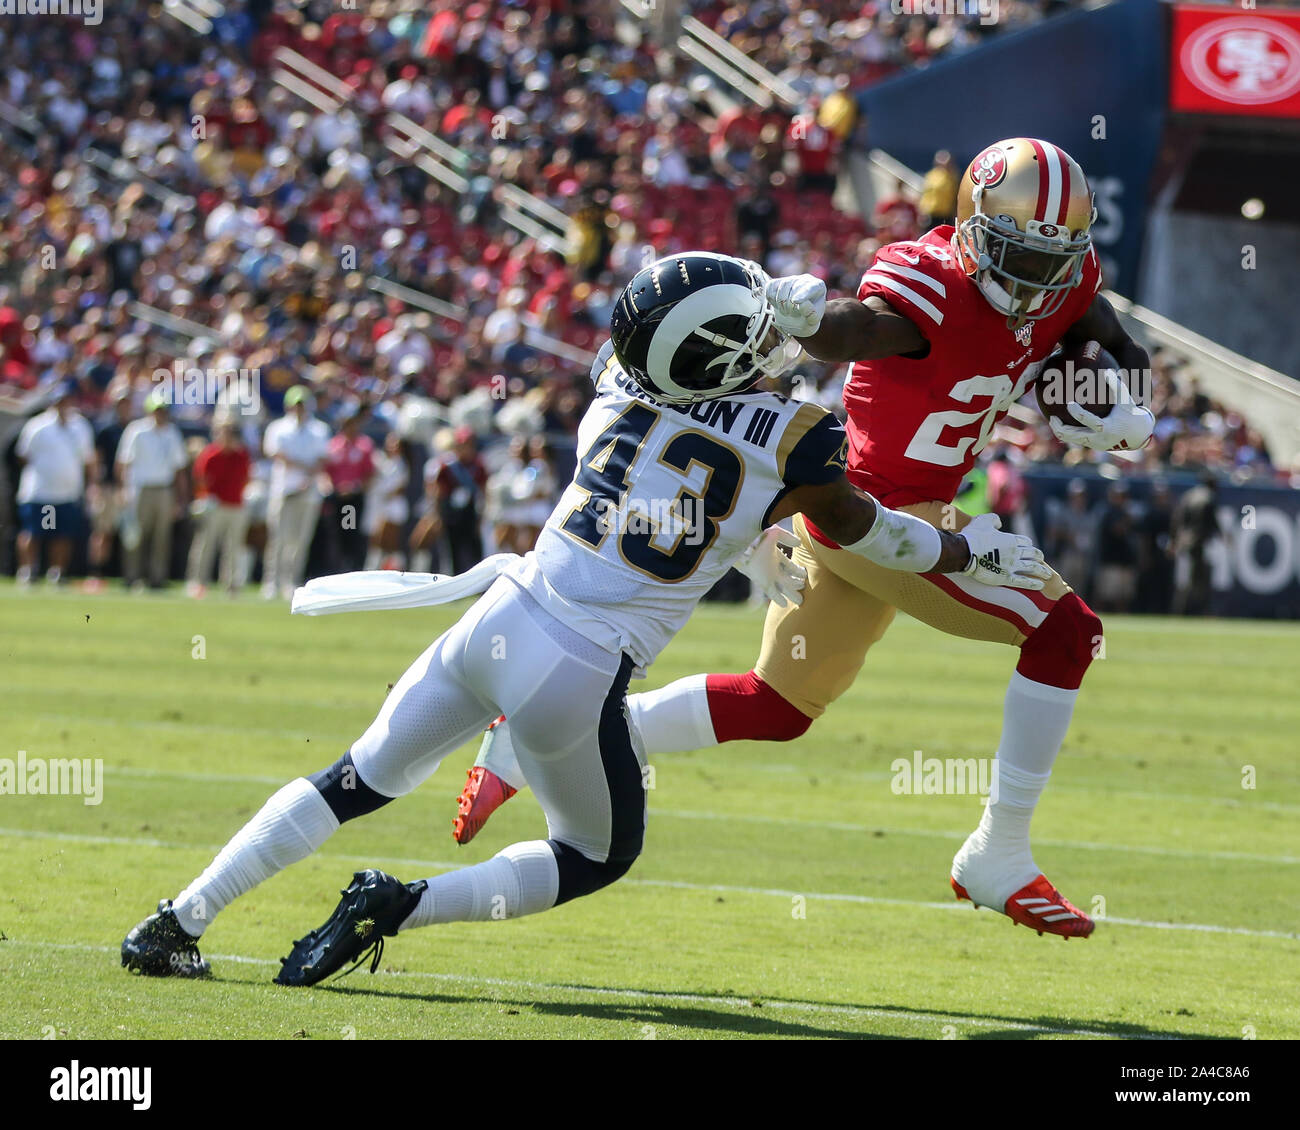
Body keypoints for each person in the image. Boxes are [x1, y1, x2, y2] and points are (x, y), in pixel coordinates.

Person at [121, 252, 1048, 981]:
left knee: (354, 780)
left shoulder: (615, 379)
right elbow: (874, 537)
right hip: (580, 667)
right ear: (725, 356)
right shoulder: (800, 441)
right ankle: (396, 904)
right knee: (597, 855)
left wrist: (757, 534)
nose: (772, 338)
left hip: (500, 612)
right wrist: (972, 550)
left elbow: (682, 388)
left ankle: (176, 920)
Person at [461, 140, 1158, 941]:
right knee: (1067, 633)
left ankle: (536, 736)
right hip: (874, 514)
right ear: (972, 231)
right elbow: (854, 329)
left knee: (777, 705)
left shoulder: (1063, 280)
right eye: (1019, 258)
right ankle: (998, 853)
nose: (1037, 281)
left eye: (1052, 260)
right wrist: (795, 316)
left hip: (873, 513)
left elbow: (1094, 321)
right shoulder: (930, 285)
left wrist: (1119, 392)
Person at [14, 381, 94, 586]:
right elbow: (23, 455)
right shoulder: (37, 425)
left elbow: (87, 459)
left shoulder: (80, 426)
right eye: (60, 400)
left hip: (67, 493)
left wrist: (90, 485)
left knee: (63, 535)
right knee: (33, 532)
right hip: (40, 492)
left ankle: (56, 572)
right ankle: (28, 570)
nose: (64, 404)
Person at [262, 385, 331, 599]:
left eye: (302, 405)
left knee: (300, 541)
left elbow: (321, 460)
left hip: (309, 493)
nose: (299, 409)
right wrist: (306, 470)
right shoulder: (278, 428)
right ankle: (271, 583)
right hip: (283, 491)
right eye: (295, 405)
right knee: (278, 540)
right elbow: (277, 455)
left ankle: (291, 582)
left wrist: (308, 478)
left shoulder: (319, 430)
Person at [116, 389, 187, 590]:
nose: (161, 414)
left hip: (163, 489)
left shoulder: (172, 433)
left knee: (161, 537)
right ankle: (132, 576)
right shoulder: (136, 430)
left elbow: (179, 468)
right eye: (157, 410)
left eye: (164, 410)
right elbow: (124, 463)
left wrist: (180, 498)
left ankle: (157, 578)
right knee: (136, 536)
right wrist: (123, 489)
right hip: (140, 488)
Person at [185, 418, 251, 597]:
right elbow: (200, 480)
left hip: (236, 506)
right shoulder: (210, 454)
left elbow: (245, 478)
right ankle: (197, 582)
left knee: (233, 548)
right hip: (215, 507)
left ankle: (231, 585)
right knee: (205, 545)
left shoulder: (242, 454)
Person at [321, 404, 375, 573]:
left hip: (353, 499)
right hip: (337, 497)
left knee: (350, 530)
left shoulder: (363, 445)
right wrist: (331, 488)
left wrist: (356, 488)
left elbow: (370, 472)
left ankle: (351, 567)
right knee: (335, 533)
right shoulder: (334, 446)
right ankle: (337, 568)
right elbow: (325, 471)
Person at [1172, 472, 1222, 616]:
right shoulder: (1208, 498)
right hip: (1198, 543)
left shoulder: (1189, 496)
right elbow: (1212, 521)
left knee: (1185, 578)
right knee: (1199, 579)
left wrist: (1175, 540)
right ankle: (1195, 610)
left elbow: (1177, 518)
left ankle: (1180, 610)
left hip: (1184, 542)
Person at [363, 431, 411, 571]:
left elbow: (396, 489)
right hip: (379, 506)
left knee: (389, 543)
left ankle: (395, 569)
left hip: (392, 508)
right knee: (376, 543)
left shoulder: (401, 464)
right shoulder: (383, 461)